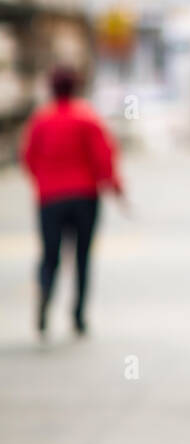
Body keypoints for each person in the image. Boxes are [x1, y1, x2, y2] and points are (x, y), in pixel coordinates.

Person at [19, 65, 125, 339]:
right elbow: (104, 157)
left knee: (50, 255)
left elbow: (28, 157)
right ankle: (77, 315)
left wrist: (44, 181)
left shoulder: (41, 120)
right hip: (84, 197)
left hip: (50, 198)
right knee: (82, 256)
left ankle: (45, 297)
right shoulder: (88, 118)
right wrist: (115, 187)